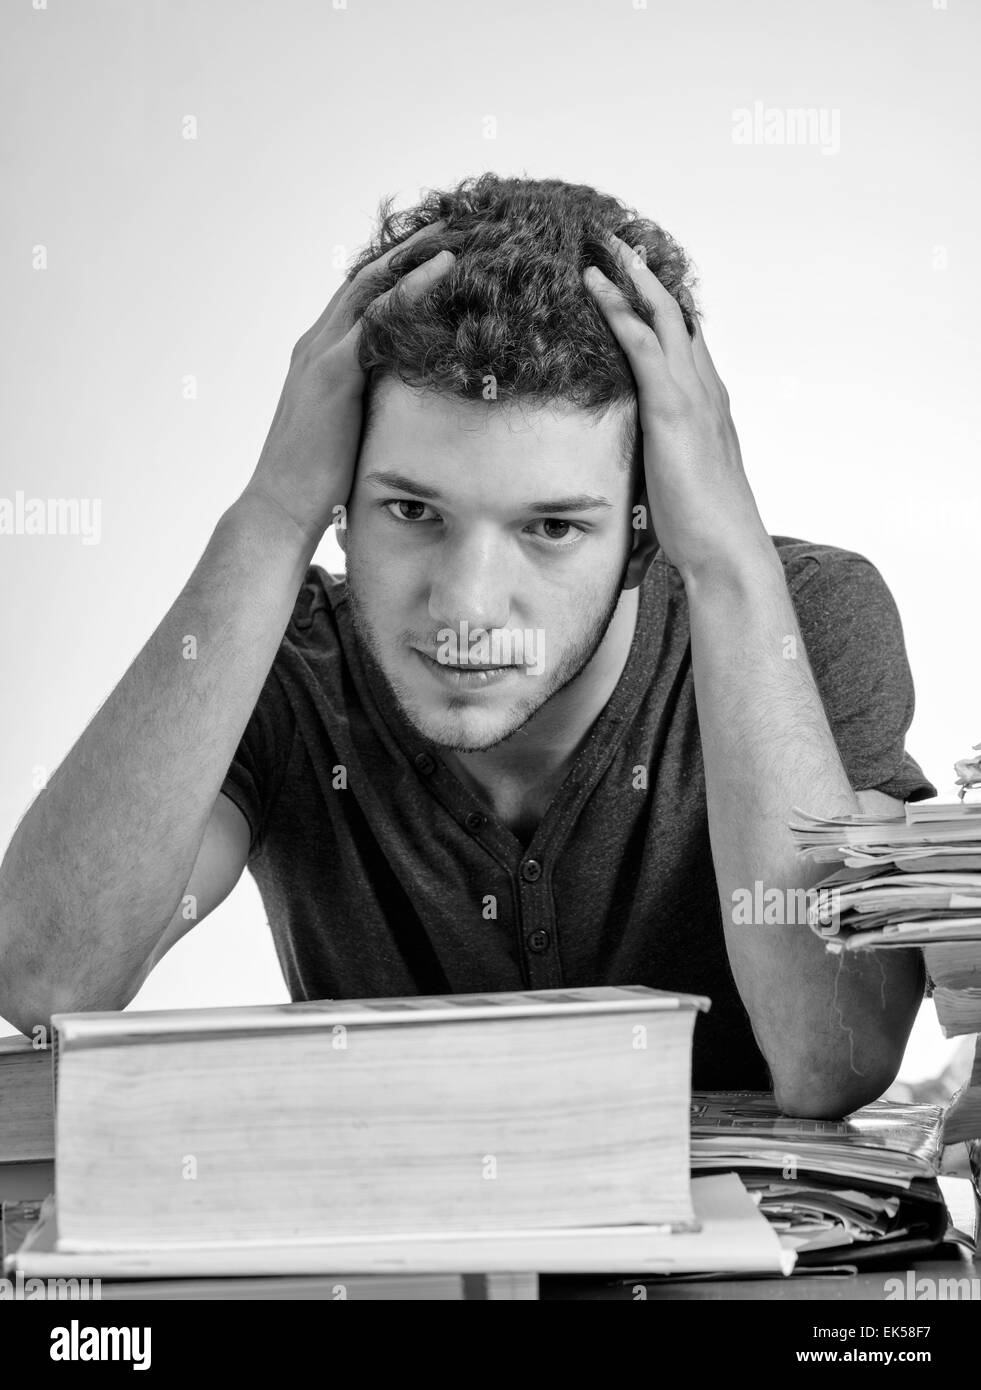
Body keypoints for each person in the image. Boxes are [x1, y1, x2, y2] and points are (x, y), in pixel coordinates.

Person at [0, 174, 936, 1116]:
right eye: (412, 510)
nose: (466, 606)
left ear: (645, 535)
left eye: (552, 528)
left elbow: (834, 1056)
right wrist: (272, 513)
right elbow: (47, 985)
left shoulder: (800, 622)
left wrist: (730, 565)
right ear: (342, 502)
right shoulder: (279, 666)